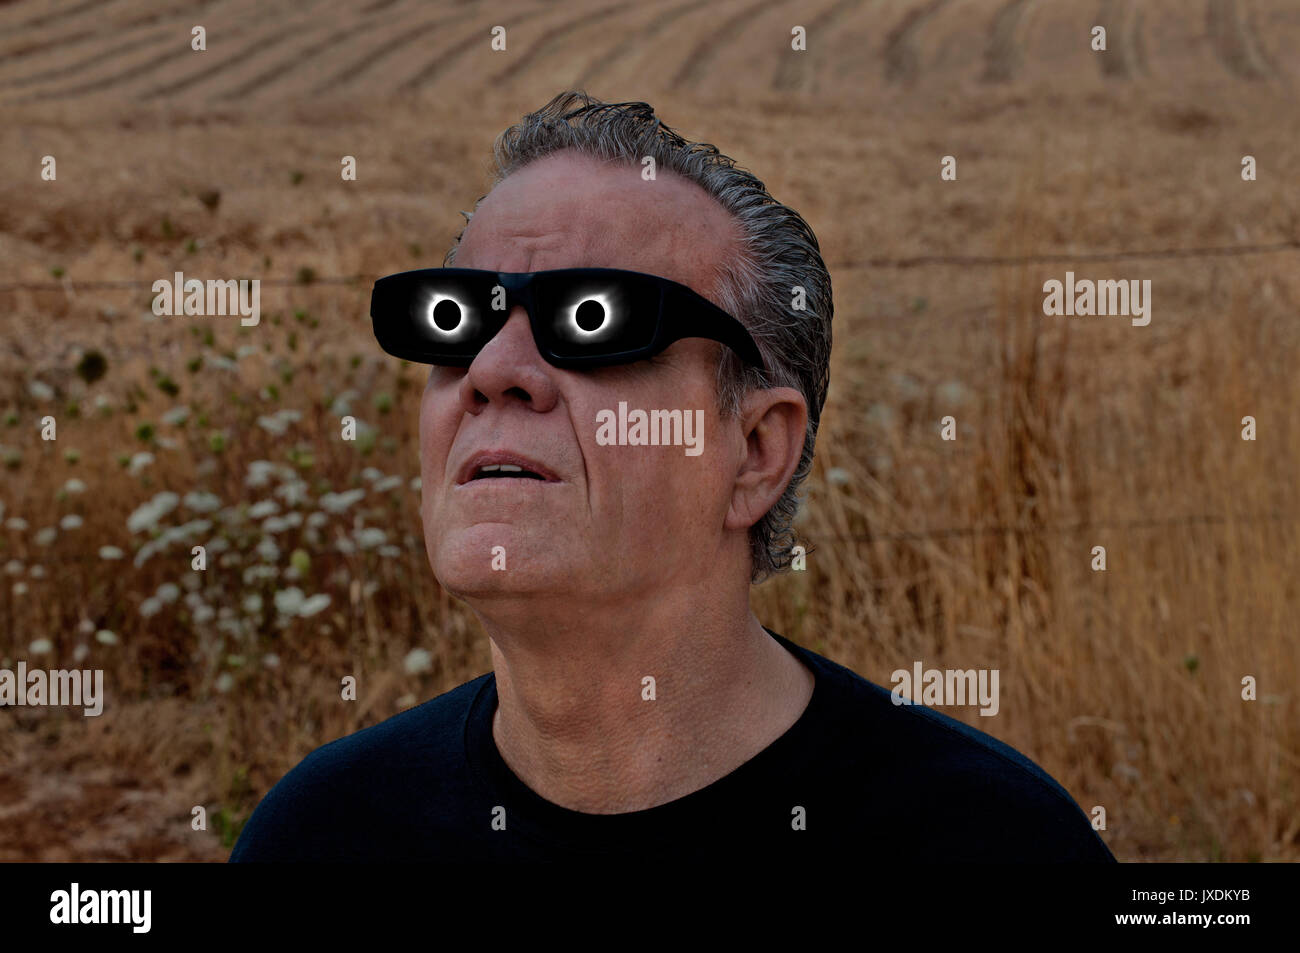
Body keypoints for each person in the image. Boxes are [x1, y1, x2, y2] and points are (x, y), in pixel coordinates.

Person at [230, 91, 1114, 863]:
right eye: (456, 320)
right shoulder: (325, 835)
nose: (493, 369)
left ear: (757, 451)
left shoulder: (984, 843)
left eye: (595, 321)